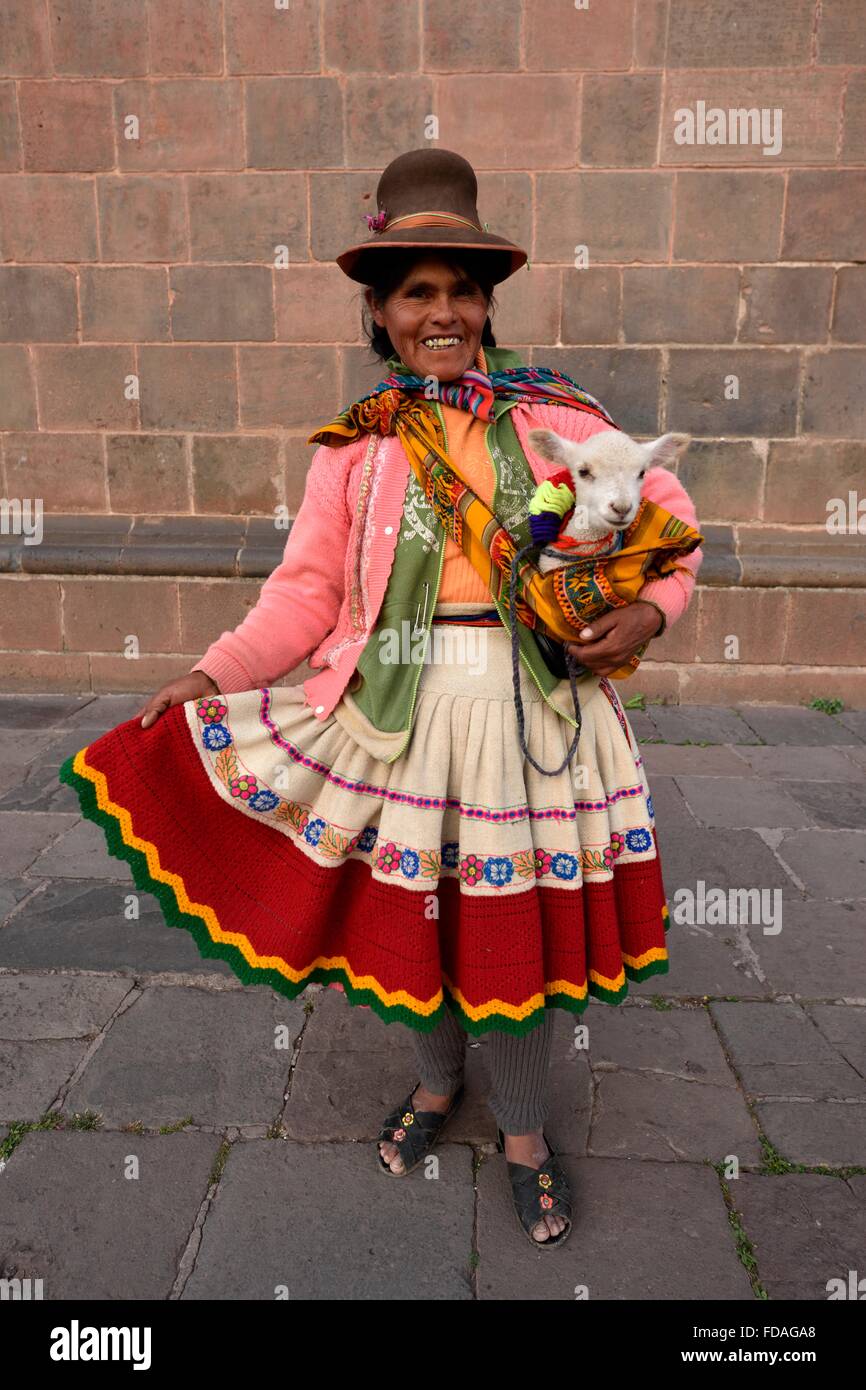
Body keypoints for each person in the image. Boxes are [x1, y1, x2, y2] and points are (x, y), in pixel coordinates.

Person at [60, 148, 702, 1250]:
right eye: (417, 292)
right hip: (397, 711)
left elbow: (669, 529)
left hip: (531, 711)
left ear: (487, 304)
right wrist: (212, 674)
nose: (441, 311)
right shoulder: (354, 454)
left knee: (513, 927)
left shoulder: (561, 419)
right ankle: (437, 1085)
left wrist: (649, 615)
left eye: (460, 289)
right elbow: (304, 592)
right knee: (422, 918)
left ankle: (524, 1132)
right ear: (379, 311)